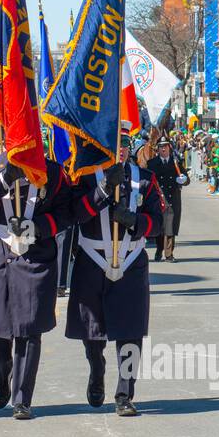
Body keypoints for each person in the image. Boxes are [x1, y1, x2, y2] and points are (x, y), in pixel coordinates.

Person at [0, 148, 75, 420]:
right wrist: (3, 180)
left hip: (36, 255)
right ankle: (3, 373)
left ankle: (22, 399)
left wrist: (39, 227)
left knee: (30, 328)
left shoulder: (53, 173)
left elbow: (67, 213)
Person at [65, 133, 164, 416]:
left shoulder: (144, 179)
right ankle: (97, 368)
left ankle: (125, 394)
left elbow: (158, 223)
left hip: (131, 260)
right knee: (92, 331)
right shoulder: (84, 176)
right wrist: (103, 191)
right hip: (93, 260)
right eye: (113, 146)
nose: (119, 151)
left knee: (131, 332)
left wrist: (136, 221)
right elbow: (74, 214)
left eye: (123, 146)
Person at [144, 137, 187, 261]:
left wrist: (184, 180)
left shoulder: (175, 162)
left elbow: (185, 177)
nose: (163, 148)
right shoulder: (152, 163)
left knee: (170, 227)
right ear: (157, 149)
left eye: (166, 146)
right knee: (160, 228)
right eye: (161, 146)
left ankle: (169, 254)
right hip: (159, 198)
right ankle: (159, 250)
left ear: (169, 148)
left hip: (172, 198)